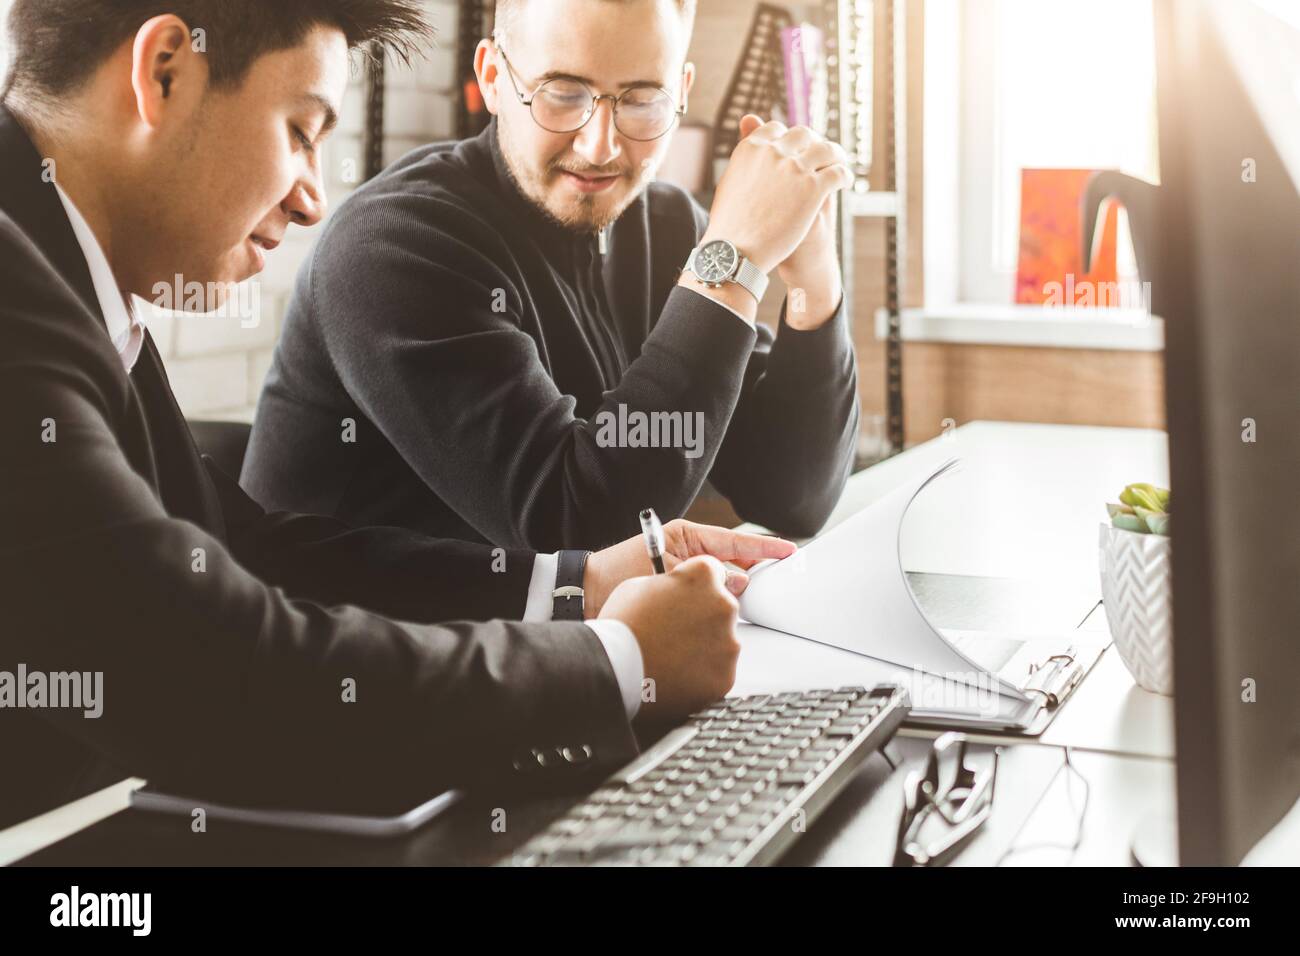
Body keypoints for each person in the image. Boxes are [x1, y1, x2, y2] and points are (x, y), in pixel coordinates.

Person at [0, 0, 795, 831]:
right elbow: (199, 672)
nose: (312, 200)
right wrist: (617, 662)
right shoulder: (16, 299)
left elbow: (244, 551)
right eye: (302, 131)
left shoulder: (67, 278)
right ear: (165, 70)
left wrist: (577, 587)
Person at [241, 0, 859, 552]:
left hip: (549, 656)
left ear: (682, 91)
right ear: (492, 78)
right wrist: (731, 262)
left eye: (642, 100)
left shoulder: (669, 225)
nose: (600, 147)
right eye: (563, 92)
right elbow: (577, 529)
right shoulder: (393, 245)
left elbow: (790, 496)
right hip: (365, 667)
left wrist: (813, 282)